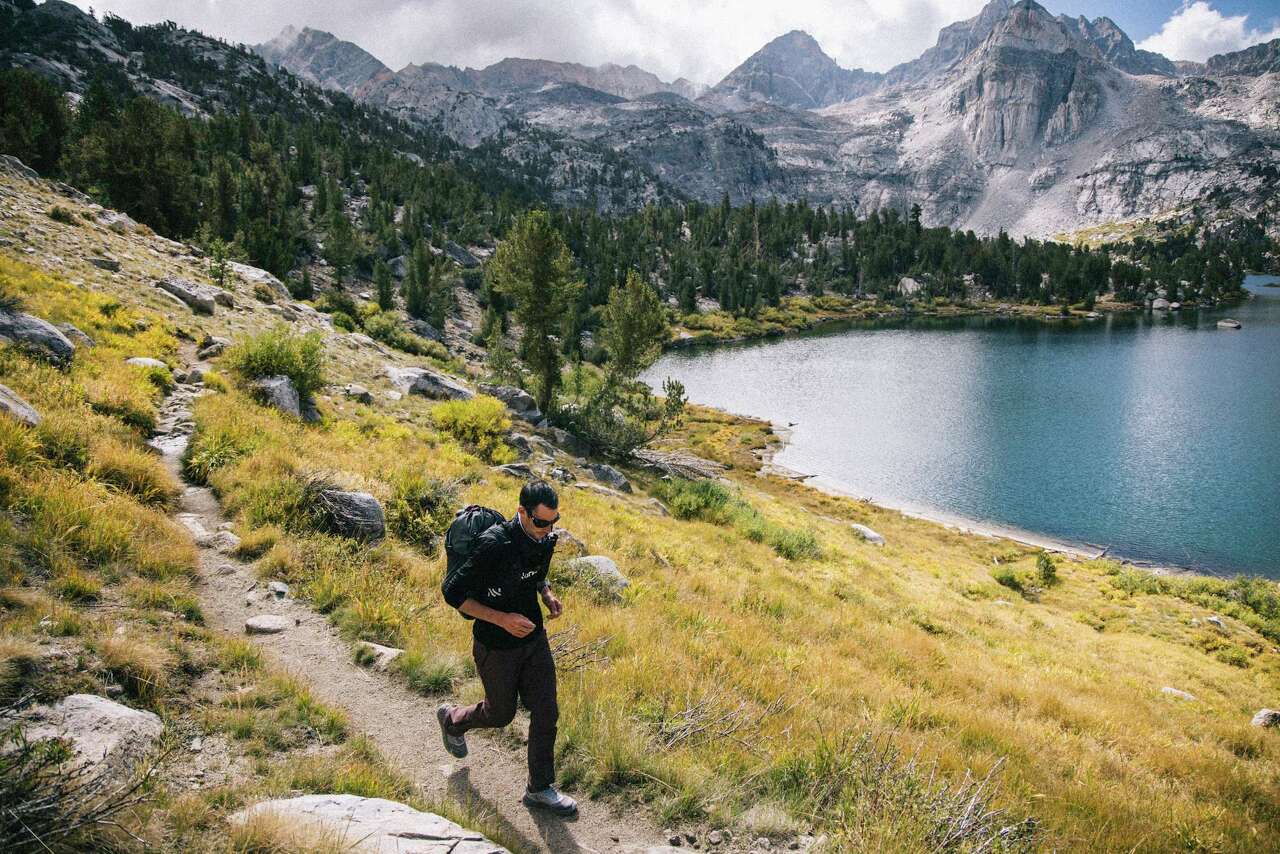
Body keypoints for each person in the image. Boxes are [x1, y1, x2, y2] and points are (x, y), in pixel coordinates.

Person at [437, 479, 577, 816]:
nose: (547, 529)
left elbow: (536, 572)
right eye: (541, 522)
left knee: (547, 712)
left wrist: (547, 595)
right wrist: (501, 620)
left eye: (553, 522)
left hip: (533, 639)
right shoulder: (493, 545)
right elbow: (453, 594)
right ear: (522, 513)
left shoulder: (545, 539)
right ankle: (453, 720)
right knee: (500, 715)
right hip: (495, 646)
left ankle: (539, 788)